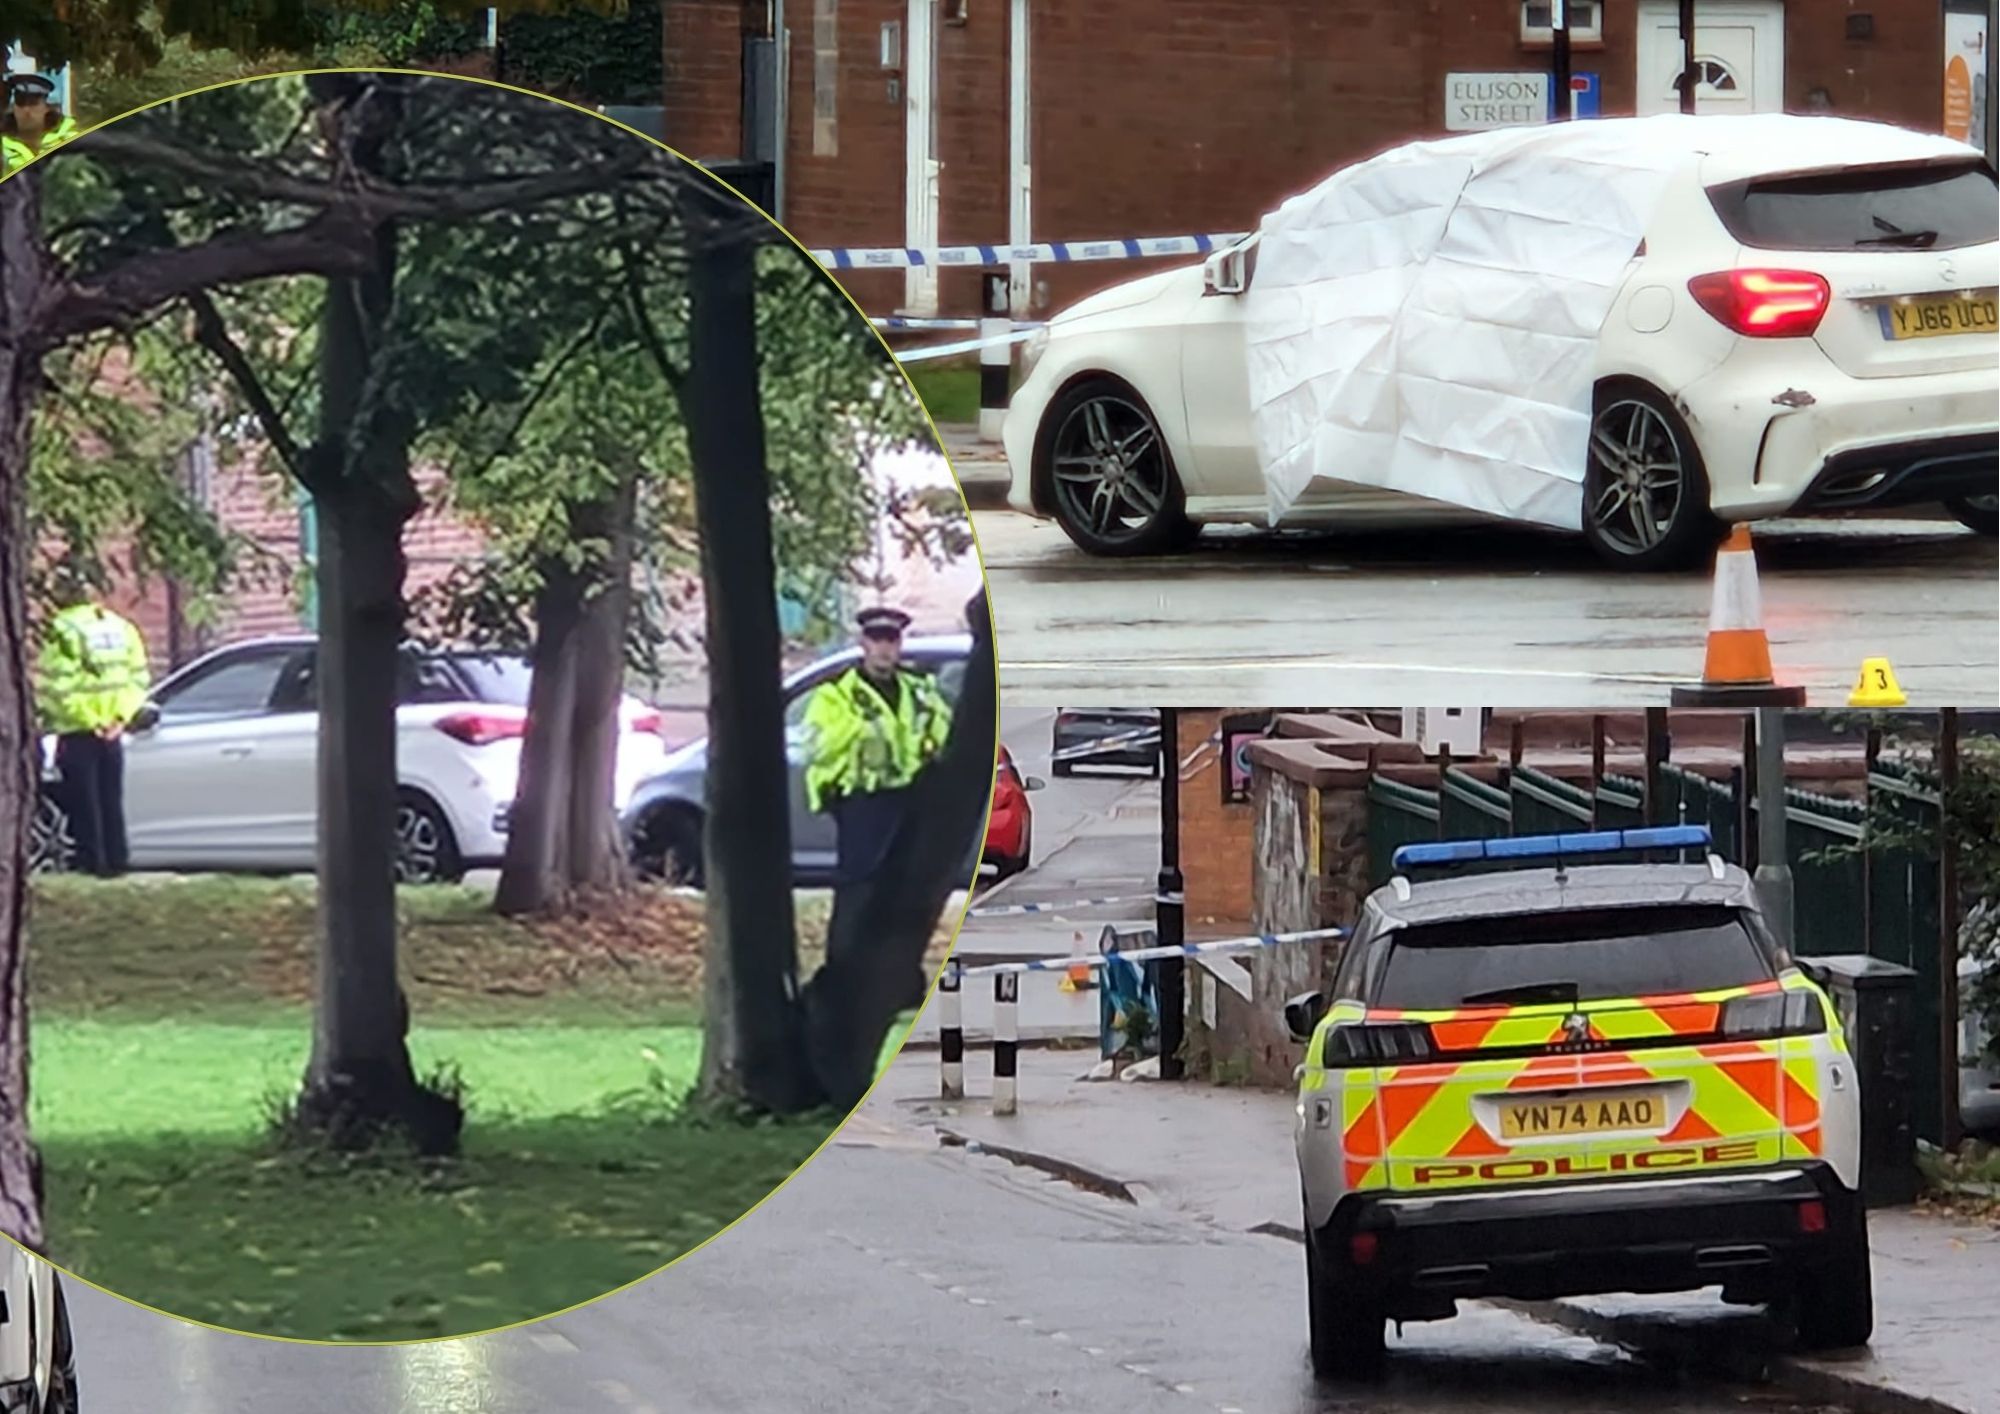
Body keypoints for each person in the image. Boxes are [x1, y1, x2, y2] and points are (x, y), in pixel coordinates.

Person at [802, 605, 953, 889]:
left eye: (891, 639)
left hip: (910, 802)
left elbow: (946, 738)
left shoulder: (919, 692)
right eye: (876, 639)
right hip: (862, 804)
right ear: (863, 643)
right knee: (860, 889)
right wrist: (858, 728)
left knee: (901, 889)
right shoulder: (837, 694)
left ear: (900, 644)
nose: (884, 648)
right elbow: (816, 748)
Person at [34, 576, 151, 878]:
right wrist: (120, 718)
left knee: (84, 803)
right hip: (113, 731)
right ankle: (117, 861)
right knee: (111, 799)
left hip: (77, 730)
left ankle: (92, 865)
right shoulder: (121, 628)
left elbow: (56, 687)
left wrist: (89, 720)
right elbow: (138, 679)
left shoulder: (62, 629)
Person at [2, 71, 79, 178]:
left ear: (47, 107)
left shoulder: (70, 140)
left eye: (33, 103)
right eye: (21, 102)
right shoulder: (3, 146)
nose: (27, 110)